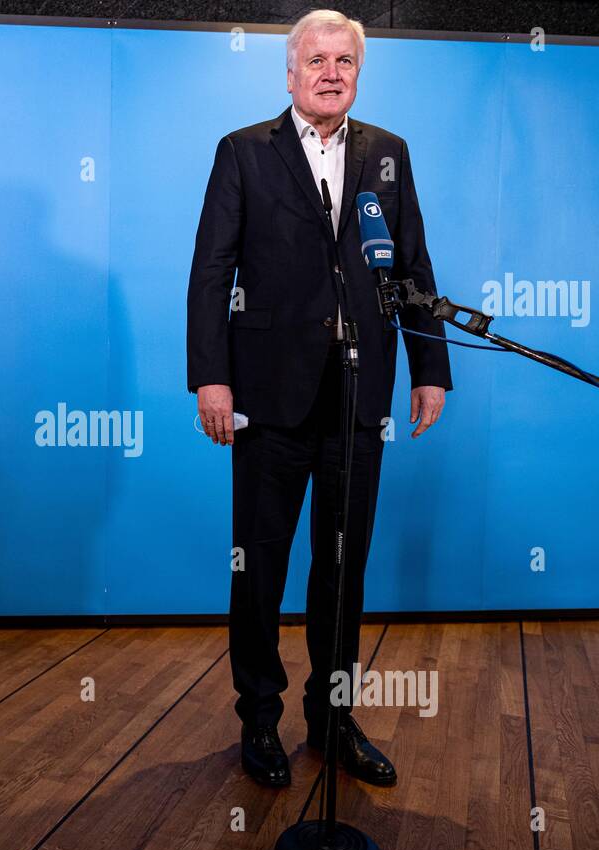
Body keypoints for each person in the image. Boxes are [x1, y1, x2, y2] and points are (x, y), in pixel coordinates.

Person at [186, 9, 452, 788]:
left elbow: (412, 268)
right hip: (266, 397)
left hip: (358, 399)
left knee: (344, 571)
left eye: (344, 61)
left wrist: (430, 367)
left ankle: (332, 720)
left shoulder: (388, 155)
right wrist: (212, 375)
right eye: (317, 60)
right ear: (291, 72)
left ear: (357, 73)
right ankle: (260, 722)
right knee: (260, 570)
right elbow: (212, 270)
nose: (331, 72)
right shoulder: (243, 152)